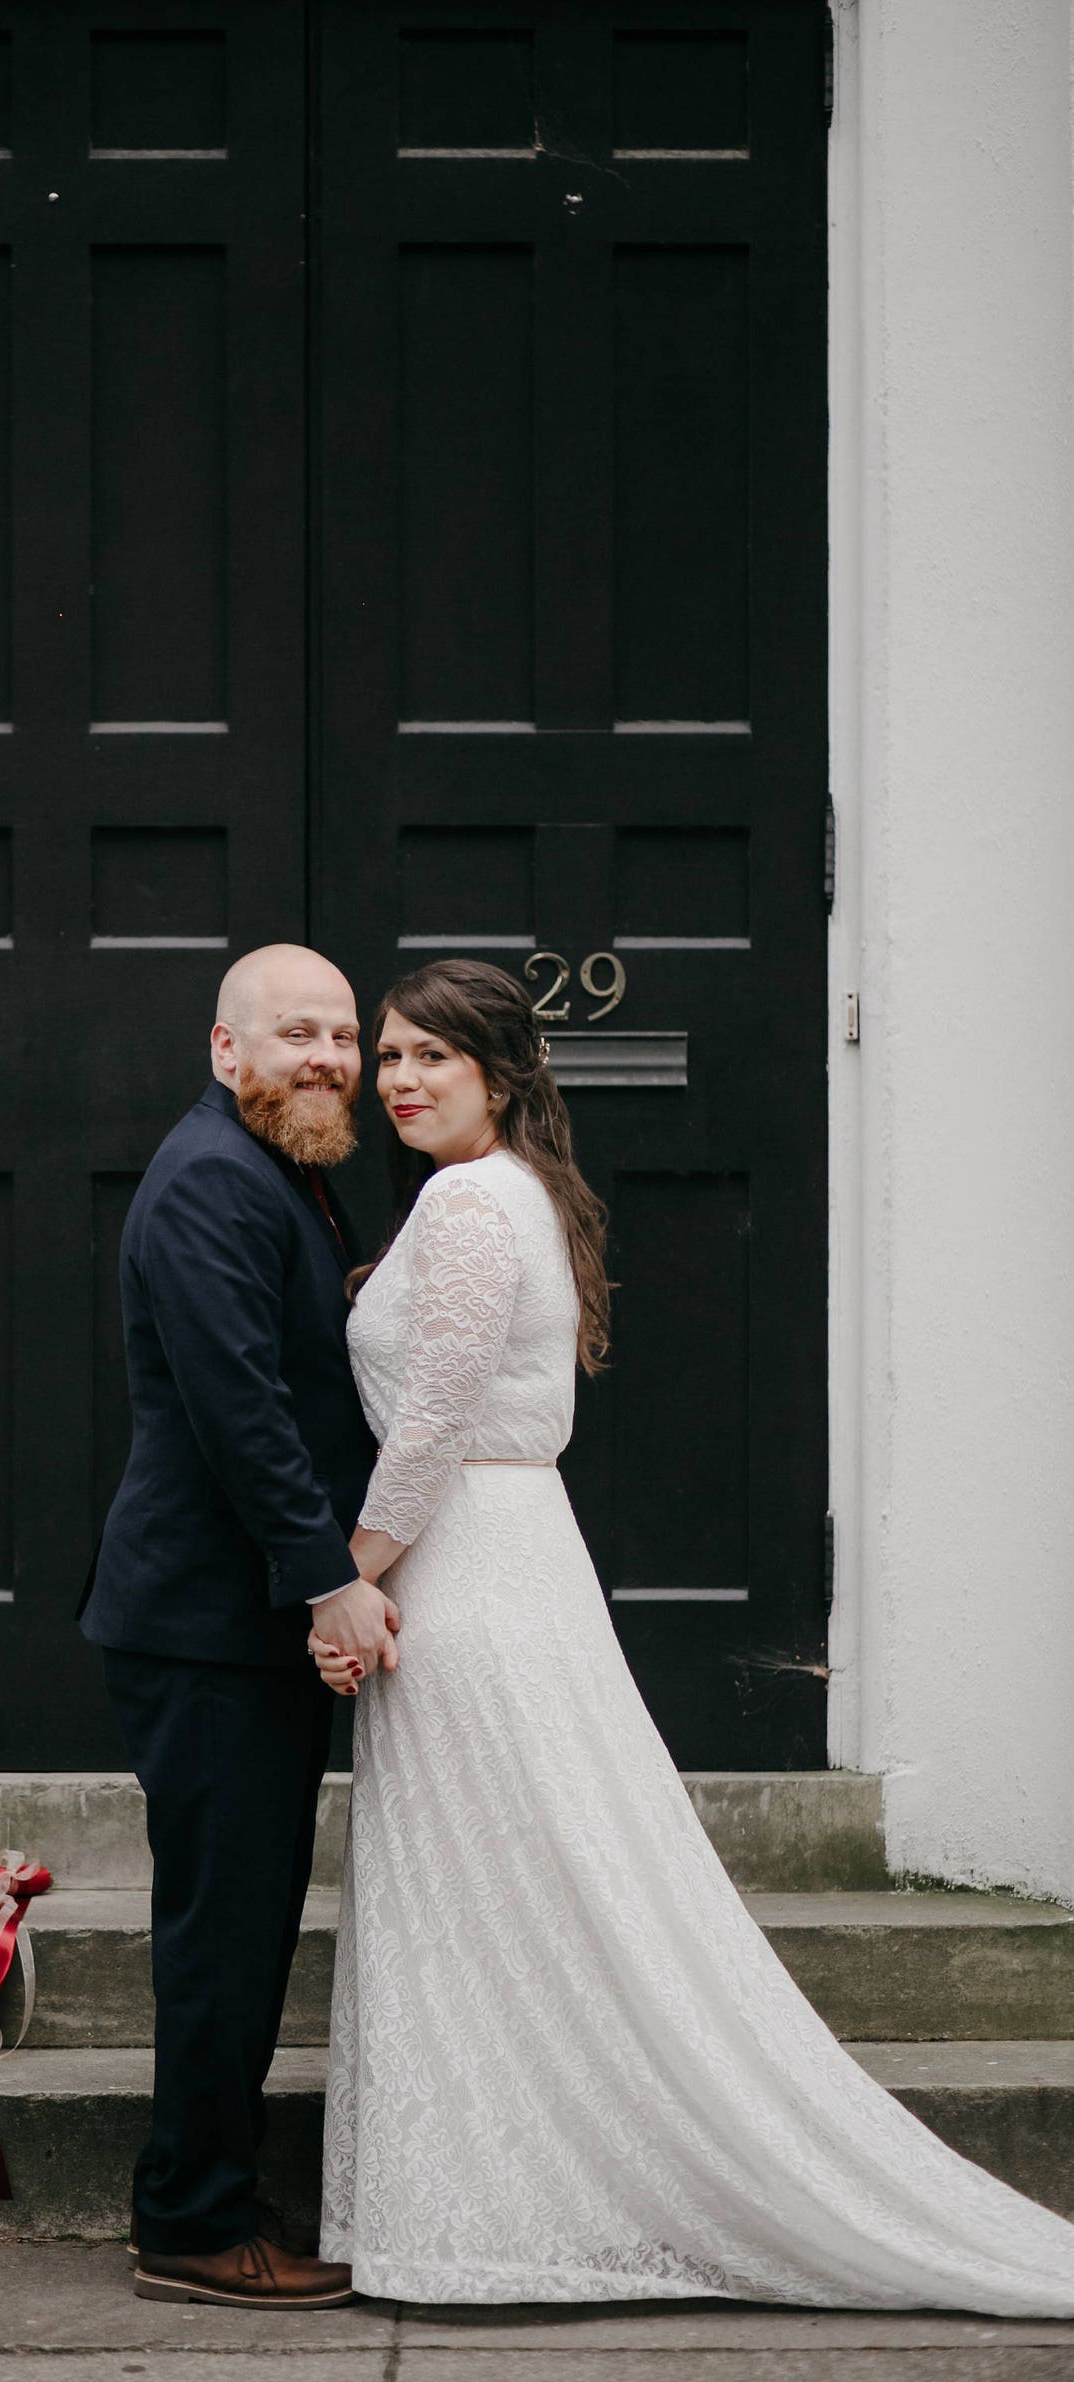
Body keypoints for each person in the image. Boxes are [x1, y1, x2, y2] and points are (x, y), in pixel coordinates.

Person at [310, 955, 1074, 2315]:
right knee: (503, 1892)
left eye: (432, 1055)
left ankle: (503, 2212)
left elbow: (430, 1421)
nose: (402, 1079)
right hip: (497, 1550)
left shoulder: (474, 1199)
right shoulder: (506, 1194)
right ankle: (495, 2200)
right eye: (388, 1057)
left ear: (498, 1071)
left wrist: (344, 1576)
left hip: (470, 1568)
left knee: (495, 1890)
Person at [79, 943, 390, 2309]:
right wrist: (332, 1579)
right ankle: (194, 2220)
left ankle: (211, 2196)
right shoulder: (214, 1177)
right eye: (294, 1034)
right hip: (209, 1626)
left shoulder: (285, 1172)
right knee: (224, 1934)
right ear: (226, 1050)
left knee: (249, 1927)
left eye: (342, 1035)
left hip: (236, 1625)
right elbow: (241, 1413)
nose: (325, 1056)